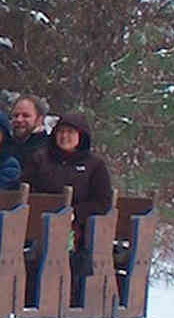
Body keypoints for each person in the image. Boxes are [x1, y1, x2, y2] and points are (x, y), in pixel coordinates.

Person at [20, 113, 113, 305]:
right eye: (61, 132)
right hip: (37, 222)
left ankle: (65, 296)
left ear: (81, 136)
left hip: (75, 228)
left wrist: (75, 213)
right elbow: (24, 186)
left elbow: (103, 202)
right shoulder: (40, 158)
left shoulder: (94, 165)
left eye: (70, 132)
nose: (64, 137)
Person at [0, 94, 50, 169]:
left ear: (40, 119)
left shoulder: (48, 149)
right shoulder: (3, 145)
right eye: (16, 115)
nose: (19, 120)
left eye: (26, 116)